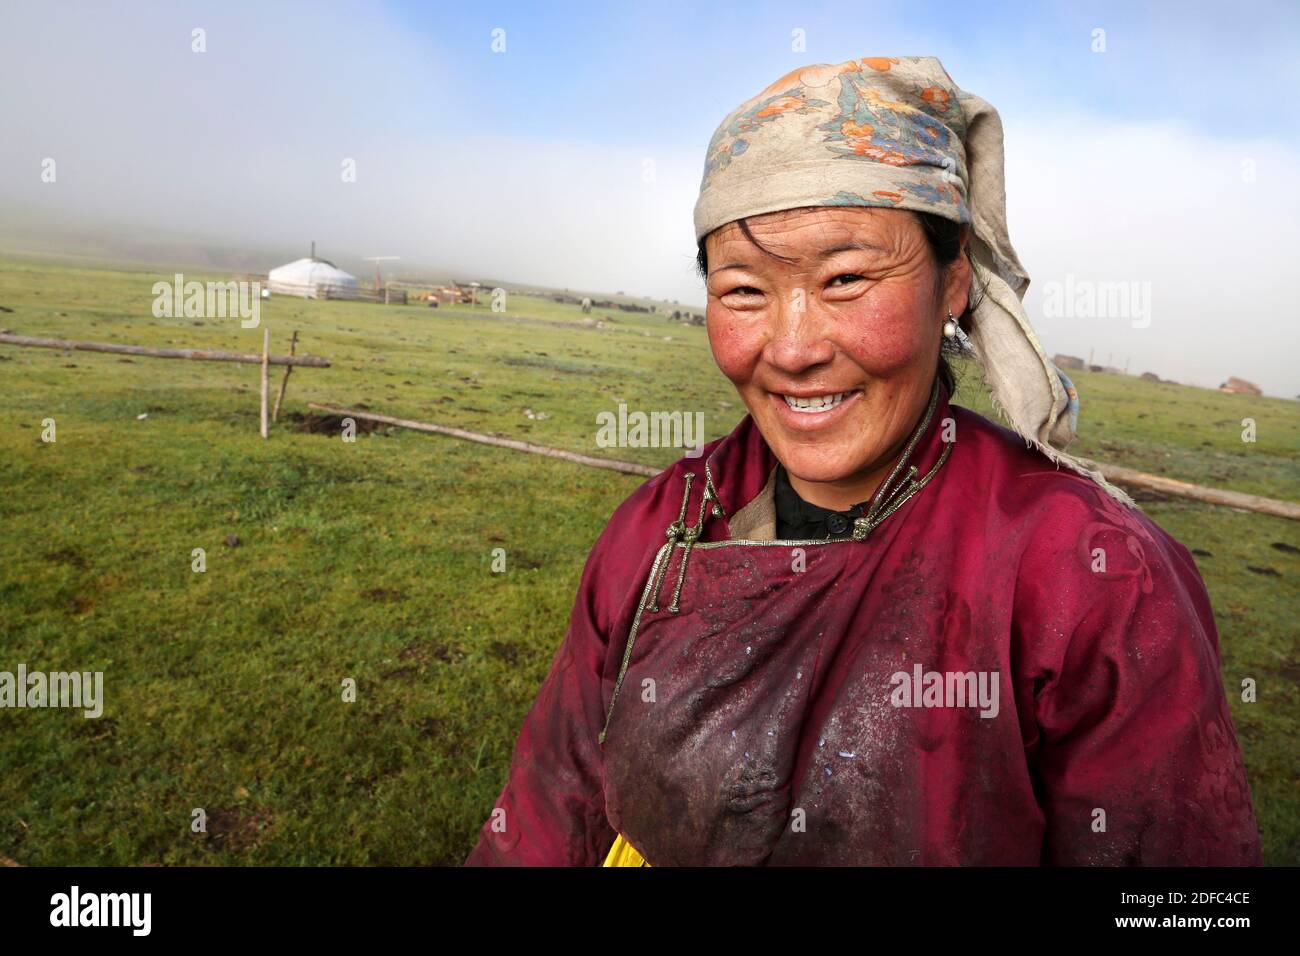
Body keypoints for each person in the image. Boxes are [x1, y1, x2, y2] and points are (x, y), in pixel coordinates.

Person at [465, 56, 1261, 866]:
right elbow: (550, 808)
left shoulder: (1093, 577)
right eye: (743, 291)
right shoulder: (658, 529)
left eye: (847, 278)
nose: (794, 348)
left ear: (952, 285)